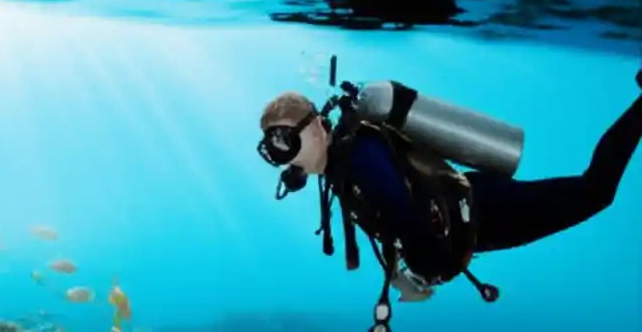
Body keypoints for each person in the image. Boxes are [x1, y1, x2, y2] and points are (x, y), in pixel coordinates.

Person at [257, 68, 642, 330]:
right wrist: (405, 275)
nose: (281, 155)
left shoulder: (358, 156)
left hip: (486, 209)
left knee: (595, 191)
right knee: (592, 192)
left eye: (284, 140)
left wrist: (417, 276)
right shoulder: (342, 164)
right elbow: (396, 222)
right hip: (474, 215)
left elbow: (409, 222)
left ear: (317, 129)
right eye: (271, 147)